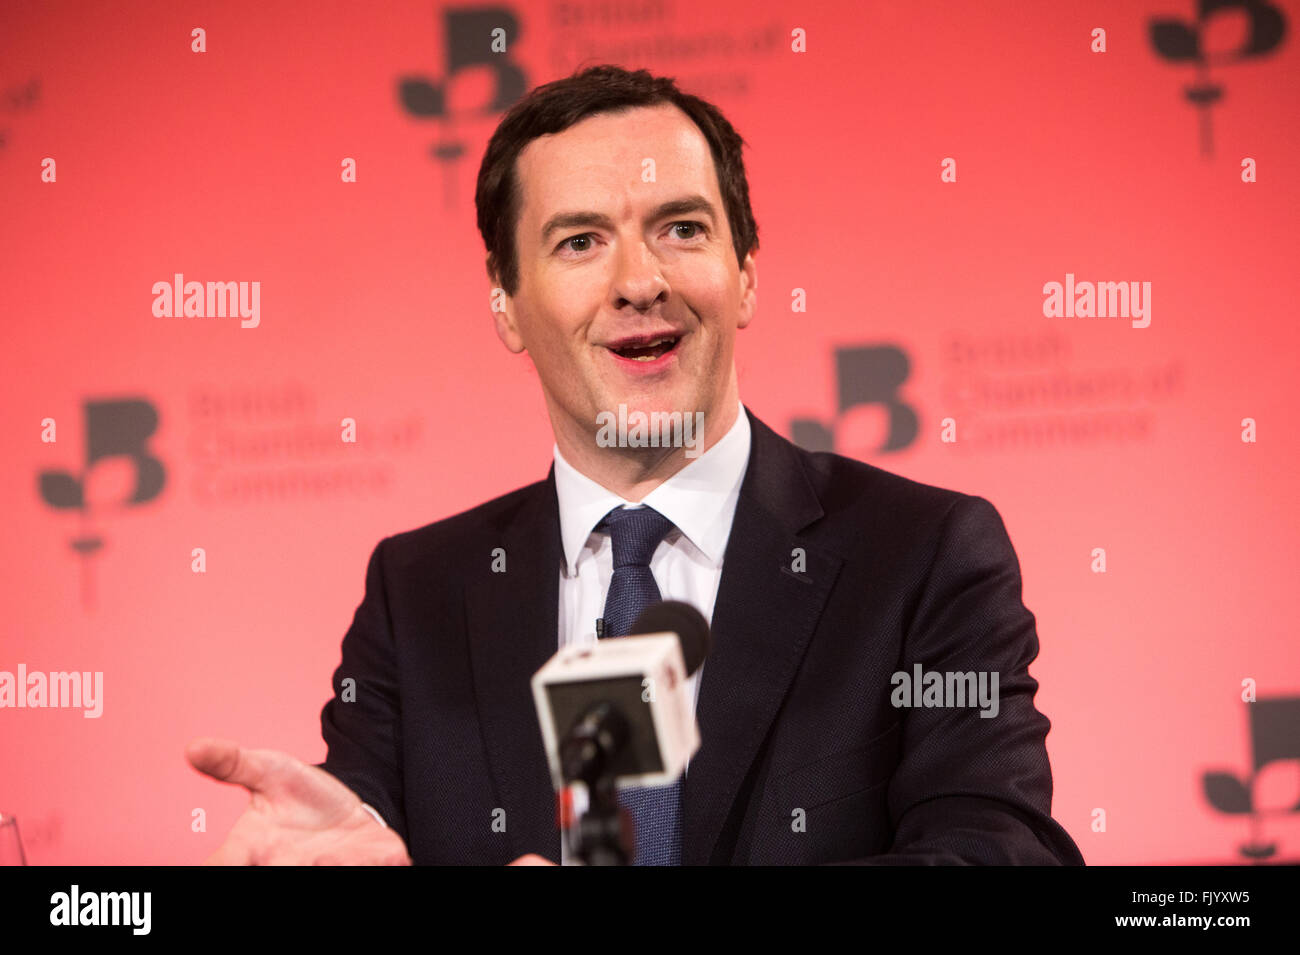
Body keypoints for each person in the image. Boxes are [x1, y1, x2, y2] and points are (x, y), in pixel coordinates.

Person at [187, 64, 1084, 866]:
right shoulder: (417, 592)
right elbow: (360, 839)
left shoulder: (923, 554)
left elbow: (997, 851)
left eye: (682, 228)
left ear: (747, 274)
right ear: (506, 306)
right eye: (579, 241)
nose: (638, 279)